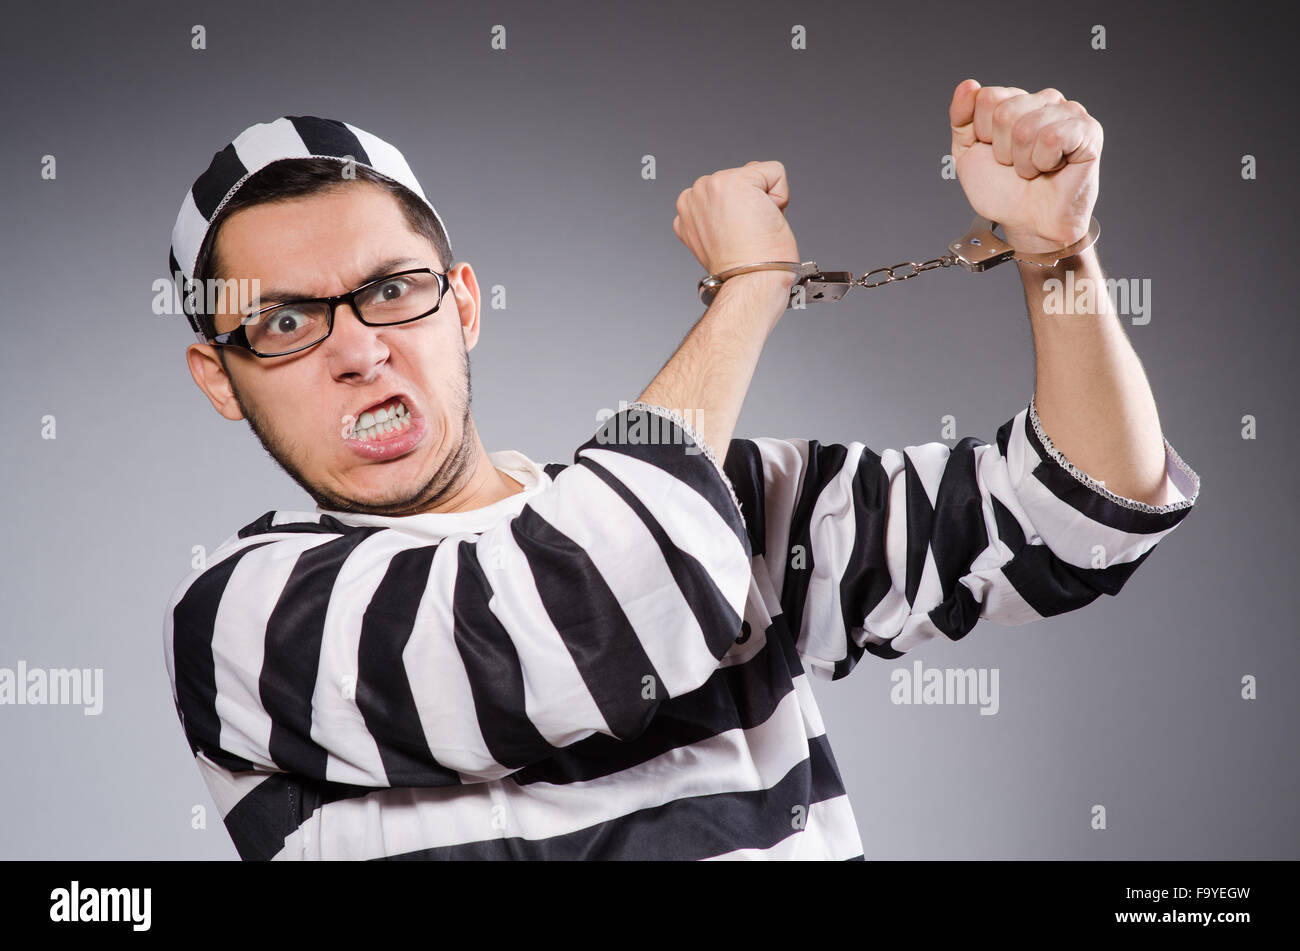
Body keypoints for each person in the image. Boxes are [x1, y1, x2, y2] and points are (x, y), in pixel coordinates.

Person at [162, 80, 1201, 860]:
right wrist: (749, 287)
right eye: (284, 320)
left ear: (464, 304)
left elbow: (1077, 513)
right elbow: (585, 617)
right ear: (220, 377)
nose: (356, 347)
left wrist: (1052, 257)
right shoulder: (246, 617)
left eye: (392, 289)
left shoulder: (710, 505)